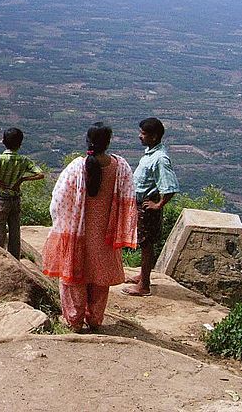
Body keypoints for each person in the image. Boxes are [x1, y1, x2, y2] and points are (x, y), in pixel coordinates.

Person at [42, 123, 138, 332]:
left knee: (75, 277)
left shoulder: (77, 167)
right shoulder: (119, 167)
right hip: (106, 235)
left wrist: (60, 223)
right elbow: (129, 198)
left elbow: (58, 200)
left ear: (88, 141)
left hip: (79, 233)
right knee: (99, 278)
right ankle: (94, 319)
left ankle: (74, 320)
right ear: (108, 142)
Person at [123, 117, 180, 297]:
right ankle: (143, 275)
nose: (140, 136)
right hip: (141, 205)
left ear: (154, 136)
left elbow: (170, 186)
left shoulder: (160, 159)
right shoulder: (151, 153)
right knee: (143, 242)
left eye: (143, 134)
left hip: (147, 207)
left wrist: (158, 204)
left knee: (146, 244)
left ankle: (144, 286)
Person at [0, 128, 45, 258]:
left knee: (0, 232)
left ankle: (0, 259)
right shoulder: (23, 160)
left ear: (3, 142)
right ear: (20, 144)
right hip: (15, 200)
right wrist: (22, 179)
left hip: (0, 200)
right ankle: (15, 260)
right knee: (15, 233)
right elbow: (40, 174)